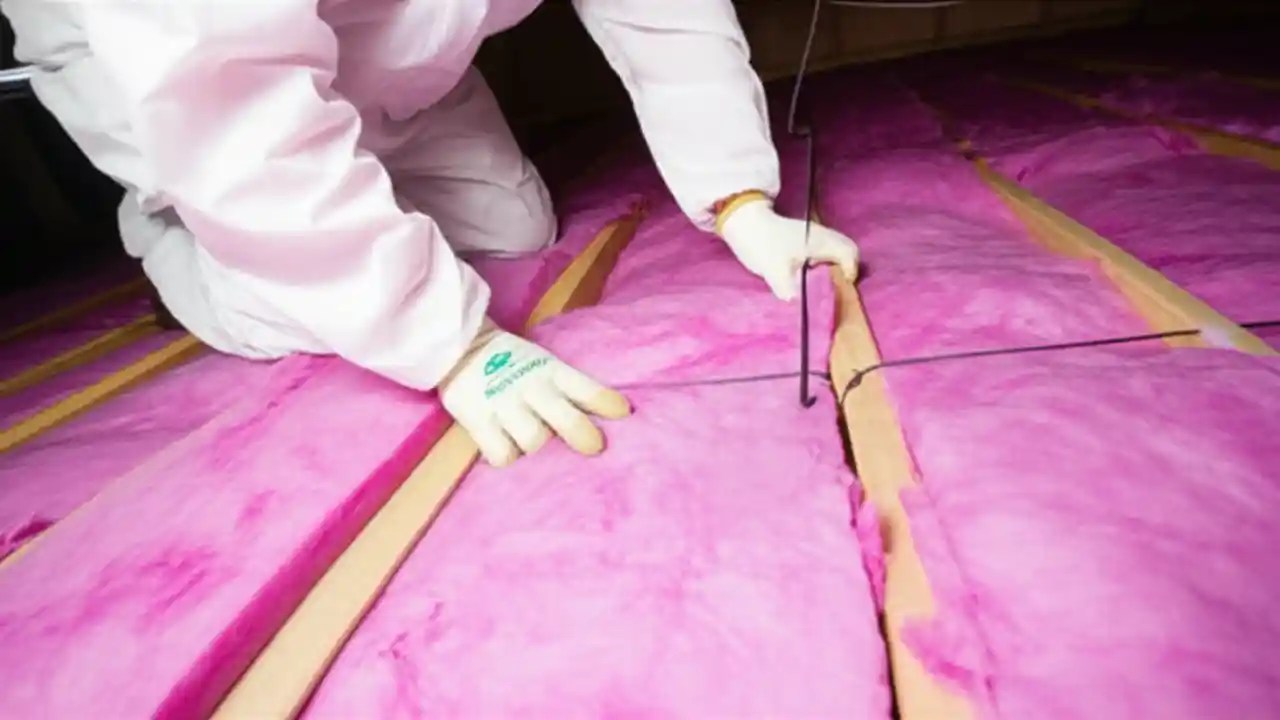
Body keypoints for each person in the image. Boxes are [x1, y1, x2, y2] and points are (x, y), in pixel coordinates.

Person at [2, 1, 859, 467]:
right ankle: (177, 236)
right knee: (294, 284)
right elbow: (226, 103)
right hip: (171, 86)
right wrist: (454, 348)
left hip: (392, 43)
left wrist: (740, 199)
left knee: (516, 227)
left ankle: (331, 191)